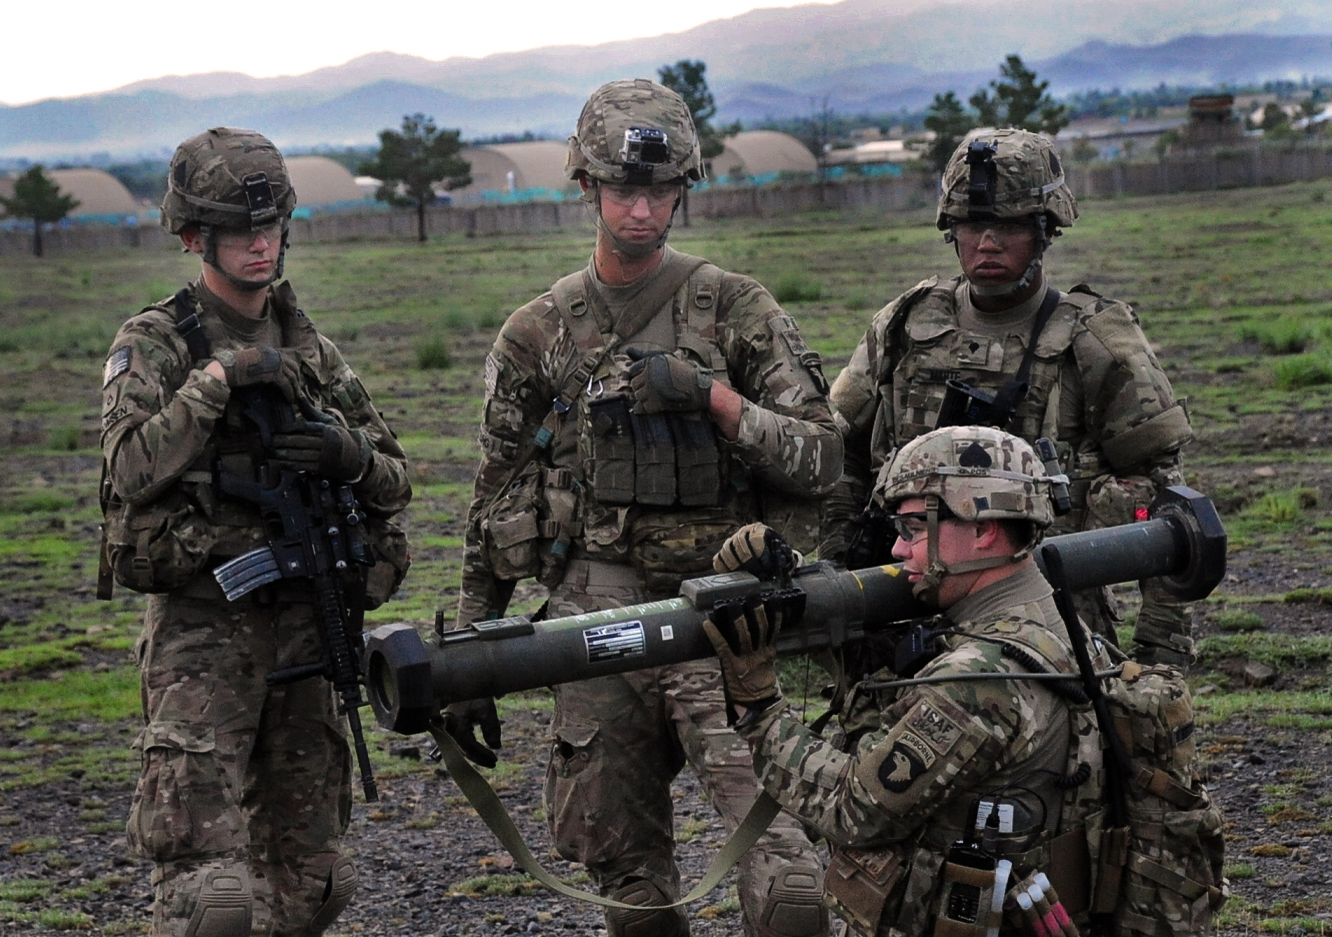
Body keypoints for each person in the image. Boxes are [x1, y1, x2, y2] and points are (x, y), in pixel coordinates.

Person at [451, 79, 841, 937]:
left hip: (726, 614)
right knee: (630, 884)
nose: (639, 207)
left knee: (787, 887)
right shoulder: (538, 331)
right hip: (598, 618)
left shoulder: (735, 309)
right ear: (585, 188)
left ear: (683, 190)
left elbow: (823, 457)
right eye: (621, 188)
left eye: (658, 189)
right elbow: (495, 496)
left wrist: (717, 402)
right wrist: (472, 656)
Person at [100, 127, 411, 937]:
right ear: (193, 236)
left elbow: (394, 477)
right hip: (203, 635)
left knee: (315, 882)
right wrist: (215, 383)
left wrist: (345, 455)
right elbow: (129, 470)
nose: (260, 244)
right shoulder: (156, 342)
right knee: (212, 899)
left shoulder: (311, 349)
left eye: (271, 227)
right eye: (240, 230)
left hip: (308, 629)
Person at [705, 425, 1109, 937]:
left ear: (984, 528)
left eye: (915, 528)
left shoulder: (978, 682)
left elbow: (852, 809)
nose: (897, 548)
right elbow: (905, 659)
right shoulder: (1052, 623)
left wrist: (759, 708)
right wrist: (798, 577)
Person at [824, 128, 1195, 669]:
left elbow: (1168, 504)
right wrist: (841, 578)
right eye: (973, 224)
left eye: (1010, 225)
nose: (988, 242)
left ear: (1045, 231)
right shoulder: (905, 323)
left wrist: (1160, 651)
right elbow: (842, 454)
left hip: (1047, 621)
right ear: (951, 230)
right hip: (903, 605)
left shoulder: (1096, 341)